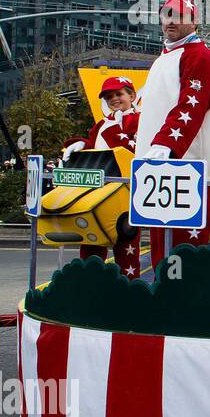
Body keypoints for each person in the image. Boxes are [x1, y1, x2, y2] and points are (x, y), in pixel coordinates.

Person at [135, 0, 210, 259]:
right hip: (162, 166)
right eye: (166, 15)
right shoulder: (166, 57)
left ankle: (180, 296)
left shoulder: (199, 56)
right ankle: (166, 294)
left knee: (183, 248)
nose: (171, 21)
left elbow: (192, 105)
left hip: (186, 163)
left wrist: (166, 143)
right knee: (162, 244)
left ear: (194, 21)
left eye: (180, 16)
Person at [61, 76, 143, 276]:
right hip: (98, 193)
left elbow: (138, 150)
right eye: (109, 96)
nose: (114, 99)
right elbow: (93, 145)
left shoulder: (144, 119)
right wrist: (80, 144)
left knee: (127, 245)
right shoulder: (103, 124)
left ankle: (130, 290)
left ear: (132, 95)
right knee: (92, 241)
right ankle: (90, 286)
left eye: (119, 94)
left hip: (127, 193)